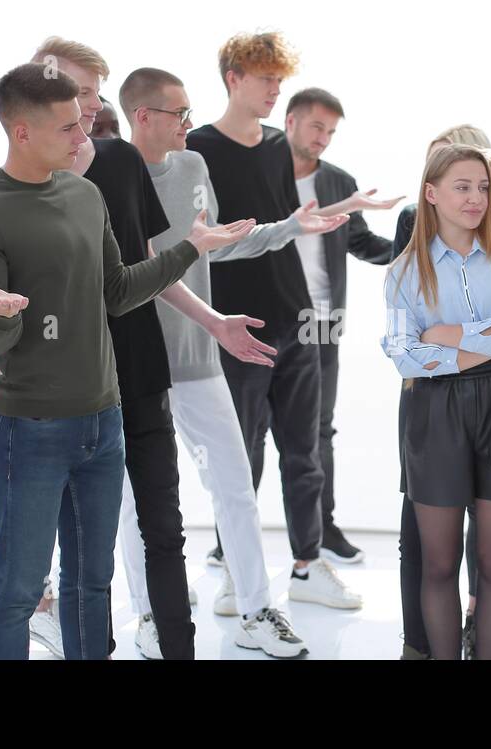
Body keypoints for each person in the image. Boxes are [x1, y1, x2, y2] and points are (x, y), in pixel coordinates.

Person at [0, 61, 251, 659]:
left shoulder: (86, 195)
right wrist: (1, 315)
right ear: (22, 132)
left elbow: (117, 290)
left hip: (103, 420)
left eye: (81, 121)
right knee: (17, 588)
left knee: (91, 583)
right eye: (67, 126)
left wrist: (191, 247)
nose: (82, 135)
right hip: (30, 430)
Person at [120, 66, 351, 657]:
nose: (189, 124)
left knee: (234, 485)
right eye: (179, 113)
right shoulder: (111, 173)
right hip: (134, 362)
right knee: (137, 502)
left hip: (199, 358)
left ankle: (255, 610)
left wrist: (288, 228)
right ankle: (149, 615)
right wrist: (211, 312)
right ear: (143, 116)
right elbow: (140, 270)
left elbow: (217, 245)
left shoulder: (193, 165)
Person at [188, 31, 362, 609]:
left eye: (279, 81)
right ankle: (236, 570)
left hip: (297, 320)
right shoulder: (197, 149)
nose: (274, 91)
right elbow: (204, 244)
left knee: (304, 451)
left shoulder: (274, 146)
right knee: (240, 456)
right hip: (238, 325)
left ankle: (307, 566)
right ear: (234, 79)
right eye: (266, 80)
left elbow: (289, 225)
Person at [382, 143, 491, 659]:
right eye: (462, 187)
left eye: (483, 187)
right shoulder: (403, 272)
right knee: (438, 565)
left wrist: (446, 335)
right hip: (435, 412)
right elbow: (403, 354)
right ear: (431, 194)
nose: (476, 198)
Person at [284, 86, 402, 564]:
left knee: (318, 429)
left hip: (321, 321)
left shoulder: (338, 182)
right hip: (266, 318)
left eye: (330, 131)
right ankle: (229, 536)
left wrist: (413, 248)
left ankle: (322, 528)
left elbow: (362, 242)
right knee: (247, 431)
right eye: (317, 127)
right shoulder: (261, 172)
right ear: (290, 121)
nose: (323, 138)